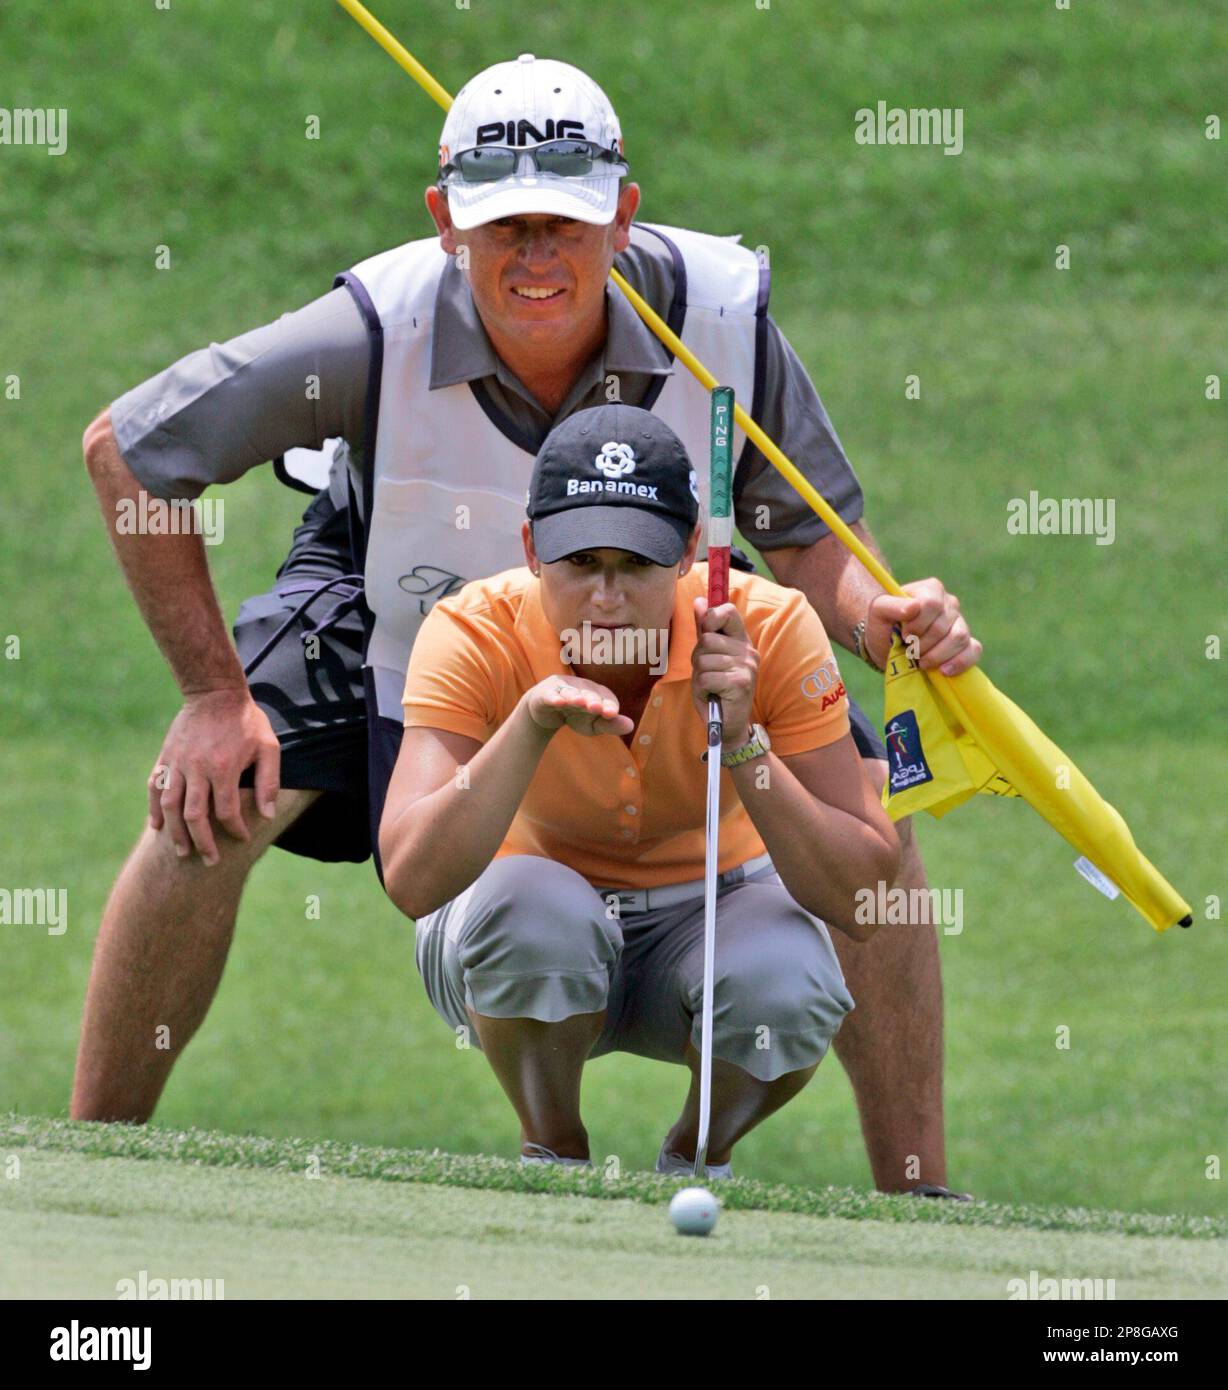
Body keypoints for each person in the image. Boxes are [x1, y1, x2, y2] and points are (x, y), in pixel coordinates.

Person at [73, 52, 979, 1197]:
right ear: (447, 219)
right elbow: (129, 449)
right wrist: (213, 694)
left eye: (566, 223)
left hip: (652, 580)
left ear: (623, 214)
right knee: (205, 799)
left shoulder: (720, 316)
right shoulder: (367, 330)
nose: (537, 256)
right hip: (391, 583)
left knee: (868, 813)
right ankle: (91, 1158)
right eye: (505, 227)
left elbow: (797, 536)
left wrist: (877, 611)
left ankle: (922, 1193)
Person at [380, 404, 900, 1173]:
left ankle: (696, 1158)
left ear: (692, 551)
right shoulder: (472, 630)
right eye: (581, 563)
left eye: (637, 565)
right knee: (536, 914)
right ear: (530, 548)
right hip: (521, 943)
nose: (608, 597)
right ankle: (554, 1148)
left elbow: (863, 897)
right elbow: (413, 878)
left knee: (787, 984)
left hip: (712, 919)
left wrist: (749, 741)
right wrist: (528, 726)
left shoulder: (773, 627)